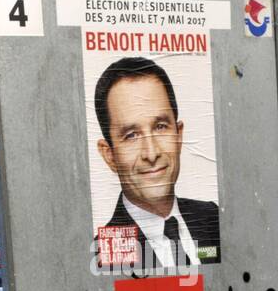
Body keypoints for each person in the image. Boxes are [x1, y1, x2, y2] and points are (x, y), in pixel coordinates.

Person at [93, 56, 220, 269]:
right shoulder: (101, 256)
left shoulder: (213, 218)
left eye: (160, 127)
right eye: (131, 135)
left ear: (179, 135)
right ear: (110, 155)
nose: (151, 154)